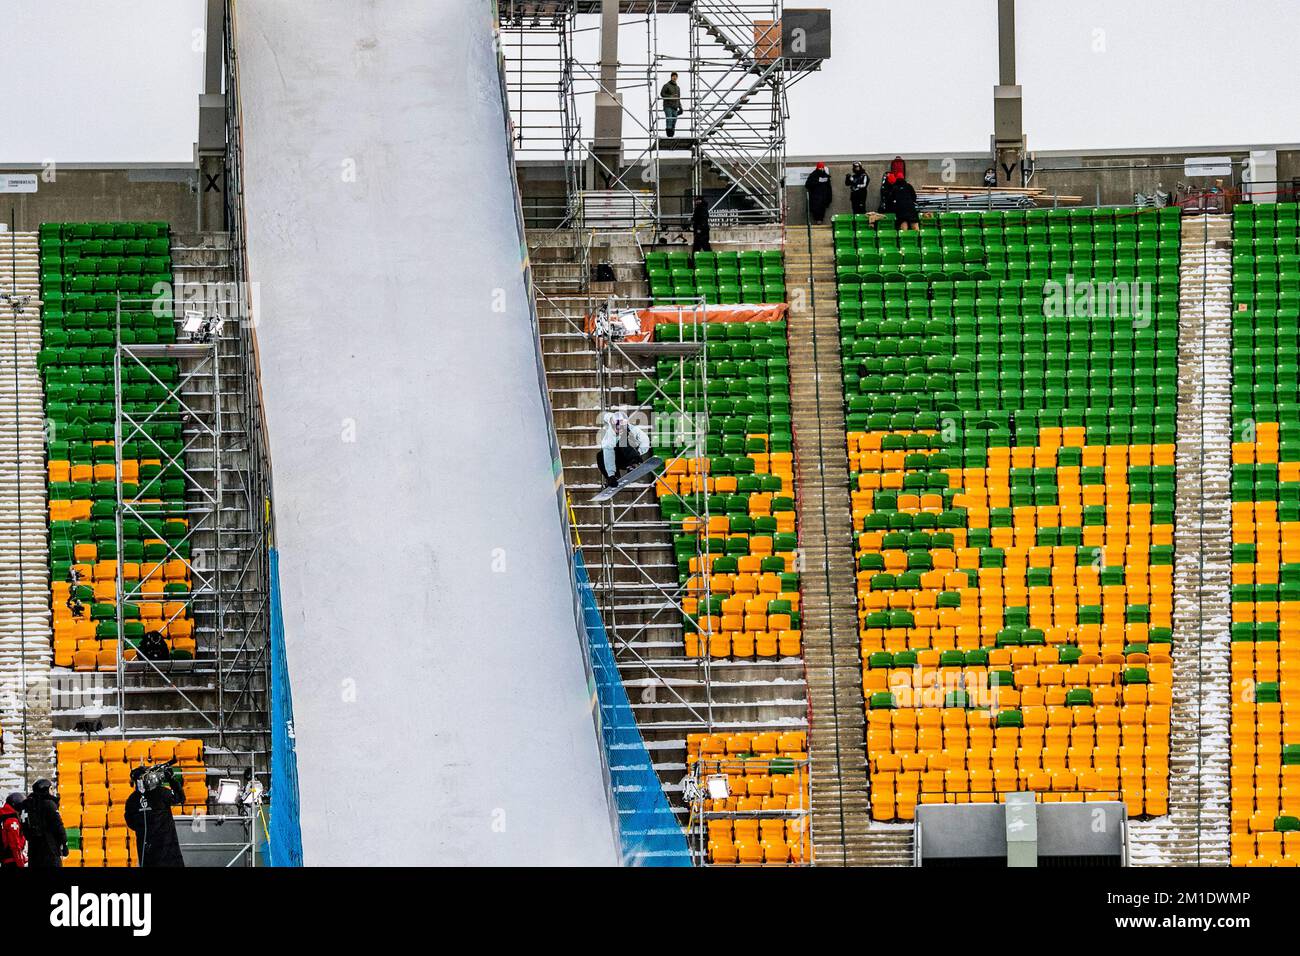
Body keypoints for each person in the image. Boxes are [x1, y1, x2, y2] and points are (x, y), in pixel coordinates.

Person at [124, 764, 186, 867]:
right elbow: (180, 798)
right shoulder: (161, 792)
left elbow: (130, 822)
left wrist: (143, 829)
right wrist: (171, 779)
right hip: (167, 849)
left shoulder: (132, 799)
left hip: (148, 849)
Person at [596, 411, 651, 489]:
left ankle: (634, 462)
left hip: (632, 455)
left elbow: (645, 441)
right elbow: (609, 457)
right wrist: (611, 475)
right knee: (600, 455)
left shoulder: (633, 429)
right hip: (619, 461)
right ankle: (613, 478)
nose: (619, 430)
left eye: (622, 428)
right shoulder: (609, 438)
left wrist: (639, 452)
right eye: (617, 429)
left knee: (623, 440)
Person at [21, 779, 66, 868]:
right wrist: (64, 843)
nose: (53, 792)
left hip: (33, 851)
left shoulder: (26, 805)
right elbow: (58, 826)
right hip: (50, 850)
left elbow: (25, 829)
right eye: (51, 789)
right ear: (46, 790)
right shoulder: (49, 804)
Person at [0, 793, 26, 868]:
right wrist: (20, 863)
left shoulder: (4, 816)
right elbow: (15, 845)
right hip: (12, 860)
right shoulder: (12, 821)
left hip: (6, 858)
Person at [661, 72, 683, 138]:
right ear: (671, 77)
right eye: (673, 76)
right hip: (668, 106)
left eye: (675, 76)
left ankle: (671, 135)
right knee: (669, 119)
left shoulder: (678, 88)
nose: (674, 77)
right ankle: (669, 135)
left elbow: (678, 98)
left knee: (674, 121)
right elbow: (662, 94)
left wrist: (680, 107)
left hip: (675, 107)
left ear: (677, 78)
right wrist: (670, 96)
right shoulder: (666, 85)